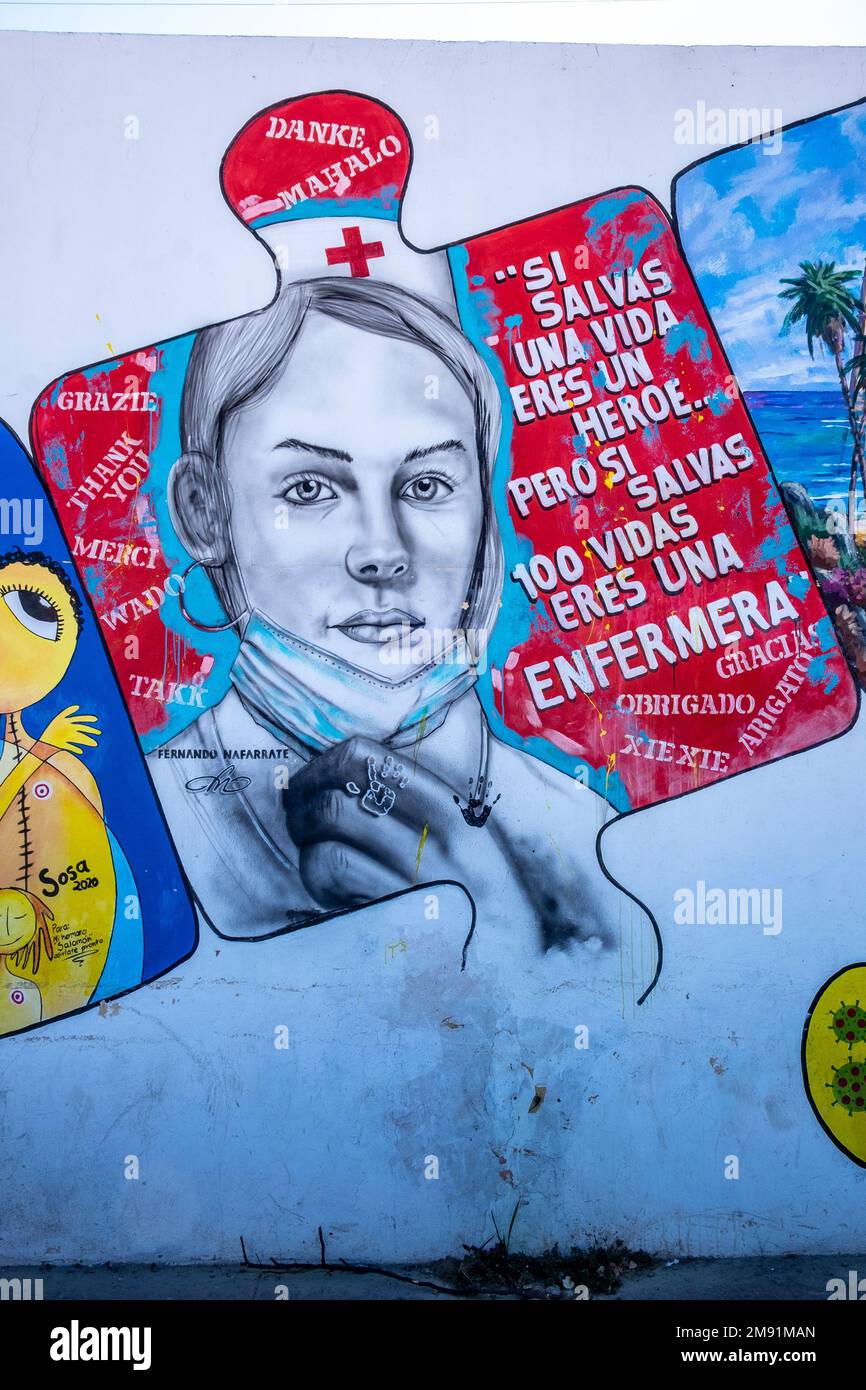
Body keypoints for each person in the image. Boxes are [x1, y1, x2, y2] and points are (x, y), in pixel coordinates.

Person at [149, 276, 650, 966]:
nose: (382, 552)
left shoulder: (590, 840)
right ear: (205, 512)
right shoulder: (135, 831)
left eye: (426, 486)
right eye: (309, 488)